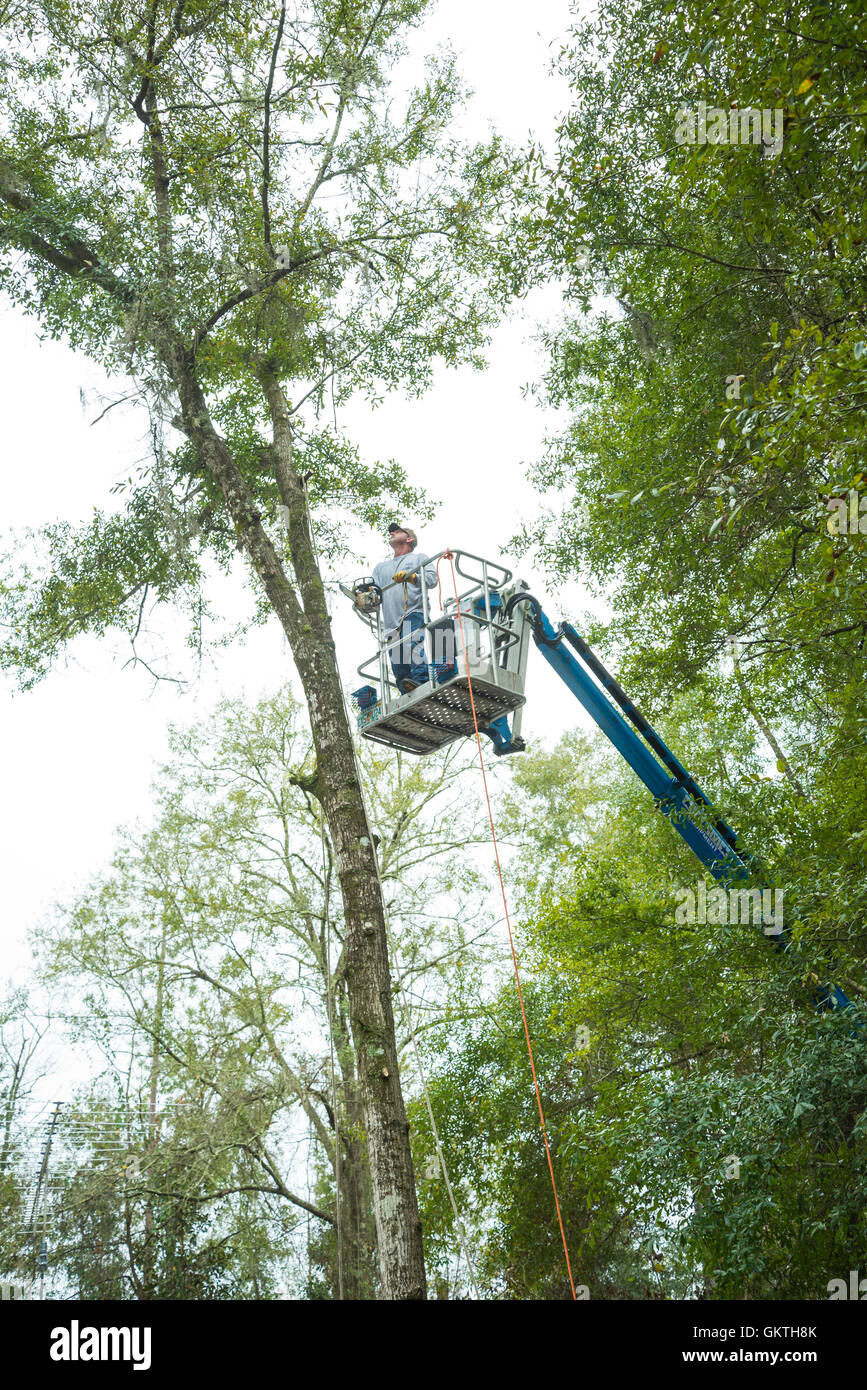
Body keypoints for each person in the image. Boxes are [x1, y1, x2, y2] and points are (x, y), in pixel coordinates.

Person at [371, 525, 524, 756]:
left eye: (397, 531)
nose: (392, 533)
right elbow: (374, 594)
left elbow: (431, 580)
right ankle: (410, 692)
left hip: (412, 612)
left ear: (409, 538)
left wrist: (414, 577)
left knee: (413, 650)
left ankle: (421, 683)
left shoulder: (419, 558)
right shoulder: (380, 568)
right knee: (399, 668)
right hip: (390, 622)